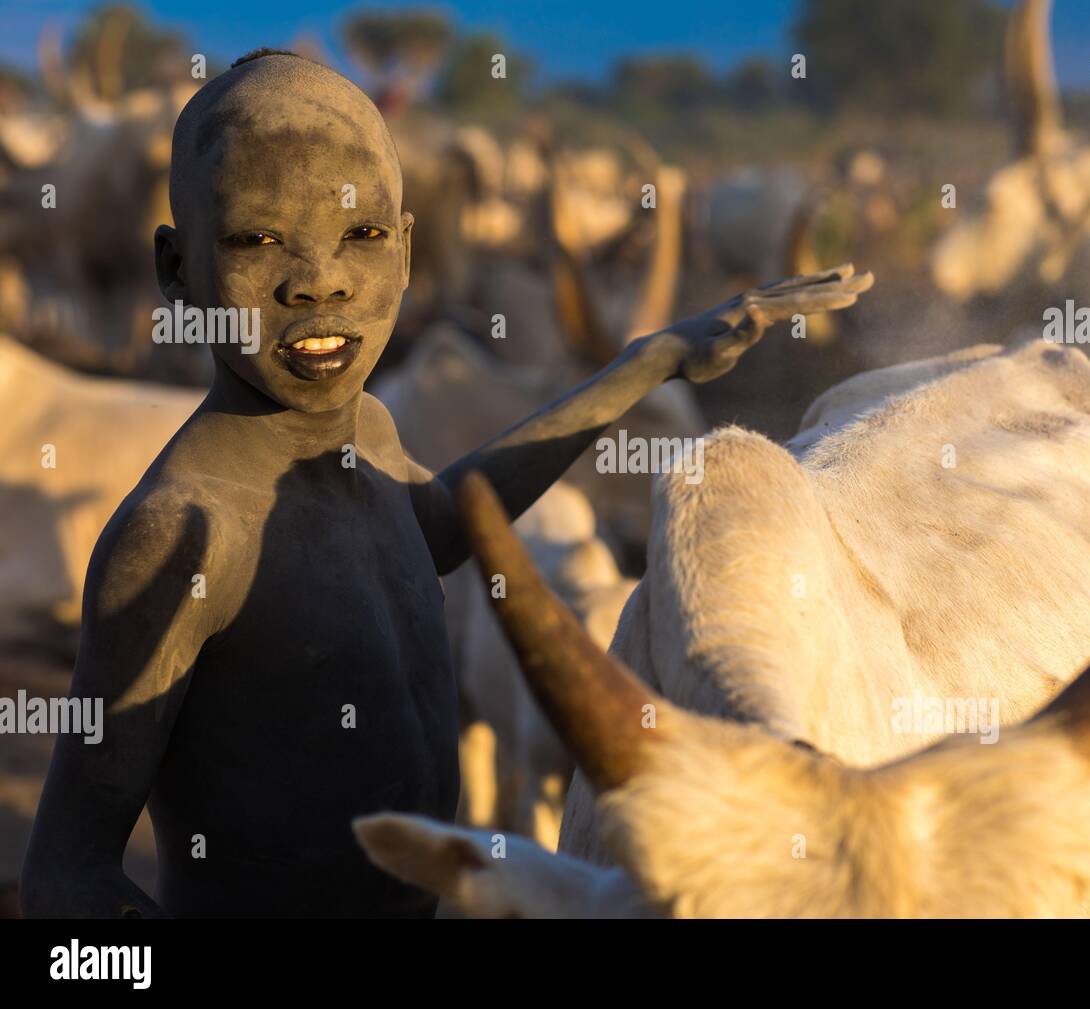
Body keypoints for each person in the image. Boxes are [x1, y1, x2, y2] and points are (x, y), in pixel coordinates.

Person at [21, 49, 870, 917]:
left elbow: (447, 521)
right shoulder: (181, 532)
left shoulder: (375, 439)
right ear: (175, 270)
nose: (322, 282)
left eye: (363, 235)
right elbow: (63, 875)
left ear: (408, 245)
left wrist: (651, 363)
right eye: (258, 241)